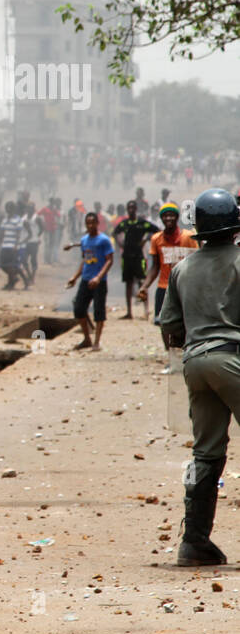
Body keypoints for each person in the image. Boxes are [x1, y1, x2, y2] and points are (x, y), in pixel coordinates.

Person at [159, 188, 240, 567]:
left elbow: (170, 326)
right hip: (231, 359)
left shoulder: (182, 269)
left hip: (195, 364)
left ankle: (194, 541)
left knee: (206, 452)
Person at [140, 204, 198, 342]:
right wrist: (145, 286)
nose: (168, 218)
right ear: (161, 218)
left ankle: (184, 353)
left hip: (185, 287)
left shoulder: (189, 237)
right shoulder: (156, 239)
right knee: (163, 322)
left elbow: (197, 261)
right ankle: (170, 356)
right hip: (164, 287)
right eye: (165, 215)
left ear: (177, 217)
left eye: (171, 215)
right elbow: (155, 267)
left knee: (187, 321)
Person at [65, 211, 114, 352]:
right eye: (88, 223)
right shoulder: (85, 240)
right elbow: (85, 260)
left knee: (99, 312)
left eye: (93, 222)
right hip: (86, 280)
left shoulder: (104, 240)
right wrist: (75, 277)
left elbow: (110, 260)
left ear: (98, 224)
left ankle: (96, 342)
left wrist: (98, 277)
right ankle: (87, 339)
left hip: (99, 281)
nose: (90, 225)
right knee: (79, 309)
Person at [112, 200, 159, 320]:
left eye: (133, 208)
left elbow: (157, 230)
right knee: (128, 283)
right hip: (127, 256)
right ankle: (129, 312)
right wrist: (120, 243)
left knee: (142, 282)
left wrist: (146, 239)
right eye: (129, 208)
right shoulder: (125, 223)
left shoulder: (142, 223)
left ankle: (146, 311)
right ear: (127, 210)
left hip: (139, 256)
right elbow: (115, 232)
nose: (131, 210)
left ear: (136, 209)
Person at [0, 202, 28, 290]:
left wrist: (16, 245)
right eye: (7, 208)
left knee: (11, 265)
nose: (8, 210)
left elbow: (18, 234)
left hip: (12, 245)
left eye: (10, 208)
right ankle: (15, 280)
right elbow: (2, 233)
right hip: (5, 245)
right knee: (3, 265)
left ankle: (11, 284)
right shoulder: (4, 219)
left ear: (14, 209)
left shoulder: (18, 220)